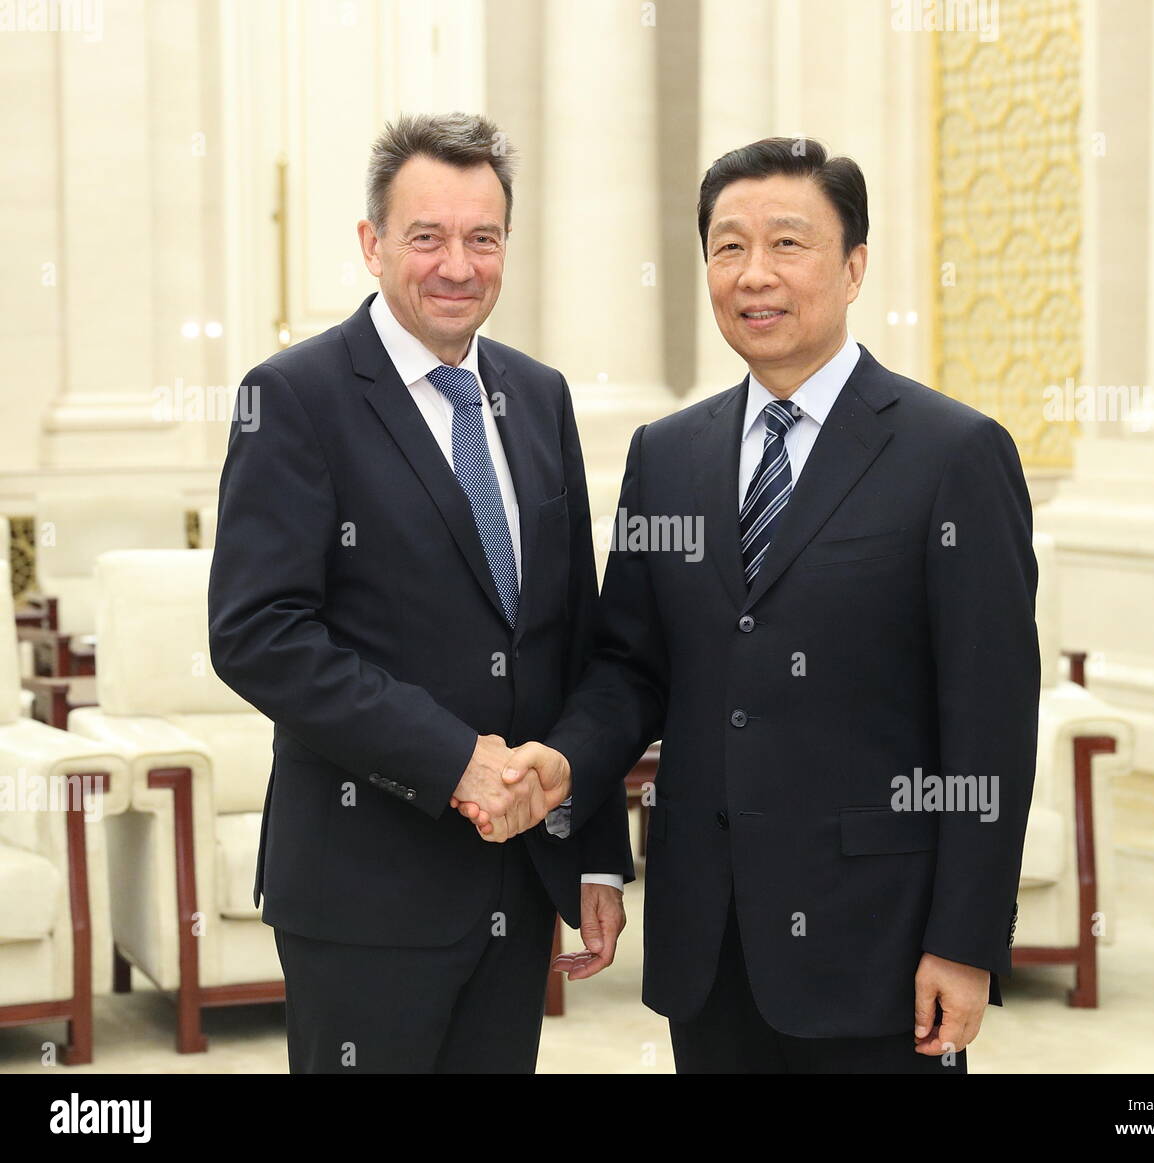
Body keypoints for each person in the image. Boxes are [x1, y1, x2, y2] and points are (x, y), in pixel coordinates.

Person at [460, 137, 1040, 1074]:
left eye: (788, 244)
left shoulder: (953, 455)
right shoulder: (668, 455)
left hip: (879, 948)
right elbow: (629, 668)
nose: (754, 275)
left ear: (854, 267)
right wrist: (565, 763)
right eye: (728, 248)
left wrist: (966, 940)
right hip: (712, 945)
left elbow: (992, 723)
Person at [208, 112, 629, 1074]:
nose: (457, 264)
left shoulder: (540, 395)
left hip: (517, 885)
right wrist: (454, 761)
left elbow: (572, 642)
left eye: (483, 238)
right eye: (427, 236)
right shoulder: (295, 397)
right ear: (372, 245)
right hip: (364, 889)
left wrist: (591, 848)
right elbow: (258, 634)